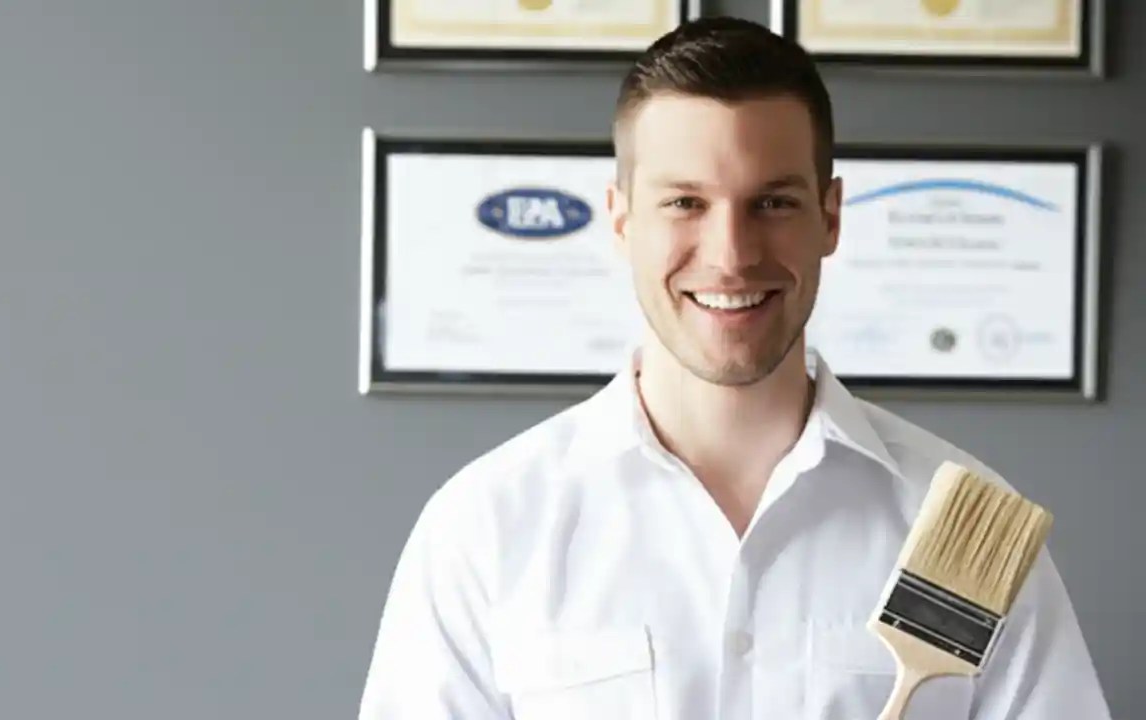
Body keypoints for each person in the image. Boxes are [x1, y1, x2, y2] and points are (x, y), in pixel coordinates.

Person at [357, 15, 1112, 719]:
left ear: (831, 217)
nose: (731, 255)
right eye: (686, 202)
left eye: (773, 203)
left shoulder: (960, 528)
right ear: (621, 221)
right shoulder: (487, 526)